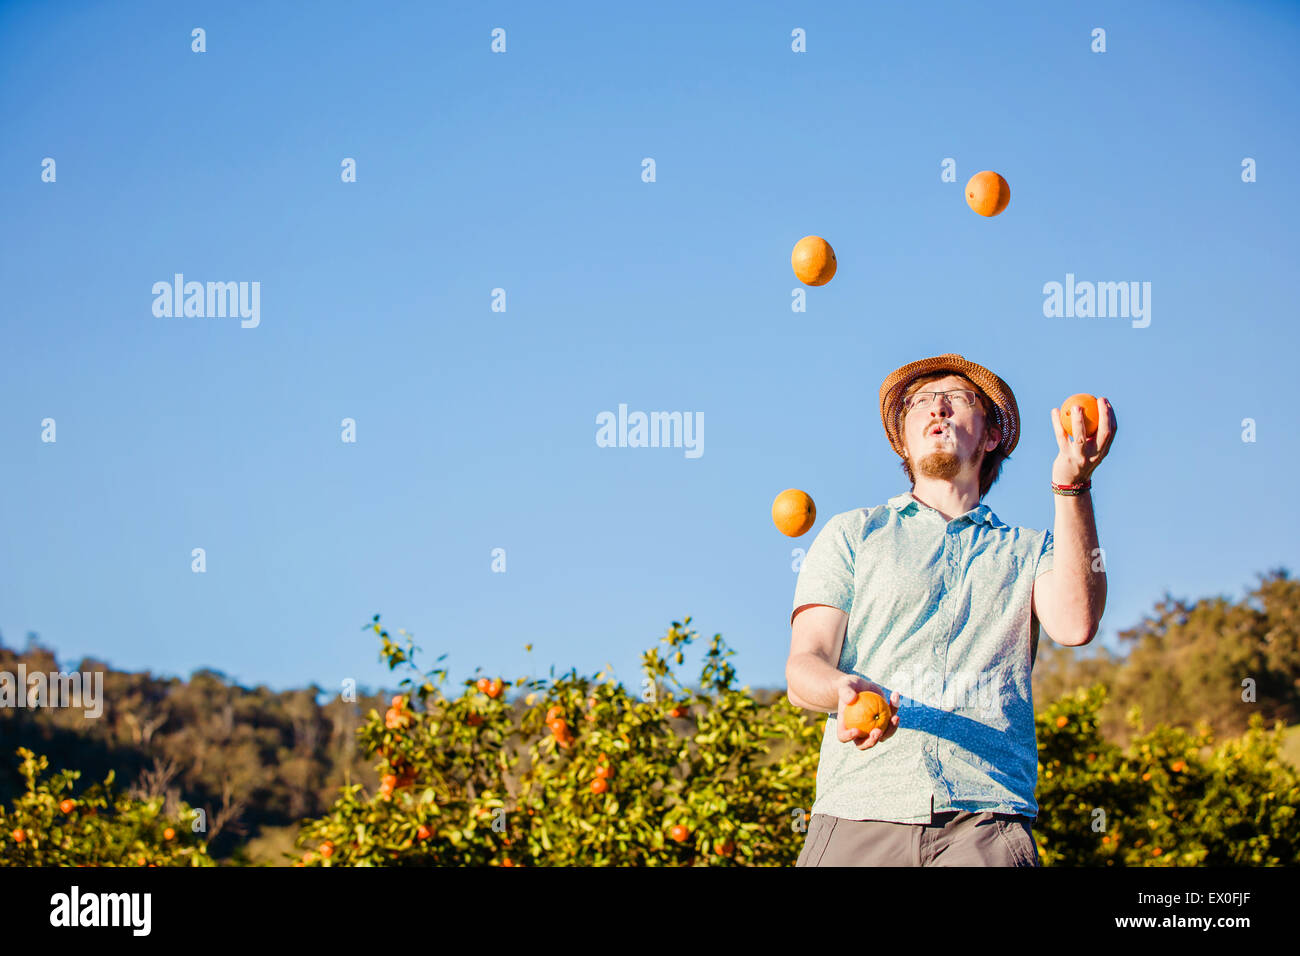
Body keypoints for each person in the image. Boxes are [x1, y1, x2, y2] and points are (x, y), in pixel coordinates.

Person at [788, 353, 1116, 866]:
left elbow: (1075, 624)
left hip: (986, 822)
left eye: (958, 399)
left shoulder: (1030, 550)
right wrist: (839, 688)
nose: (936, 407)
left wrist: (1072, 485)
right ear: (905, 436)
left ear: (990, 437)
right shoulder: (854, 532)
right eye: (920, 402)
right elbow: (804, 664)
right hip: (859, 811)